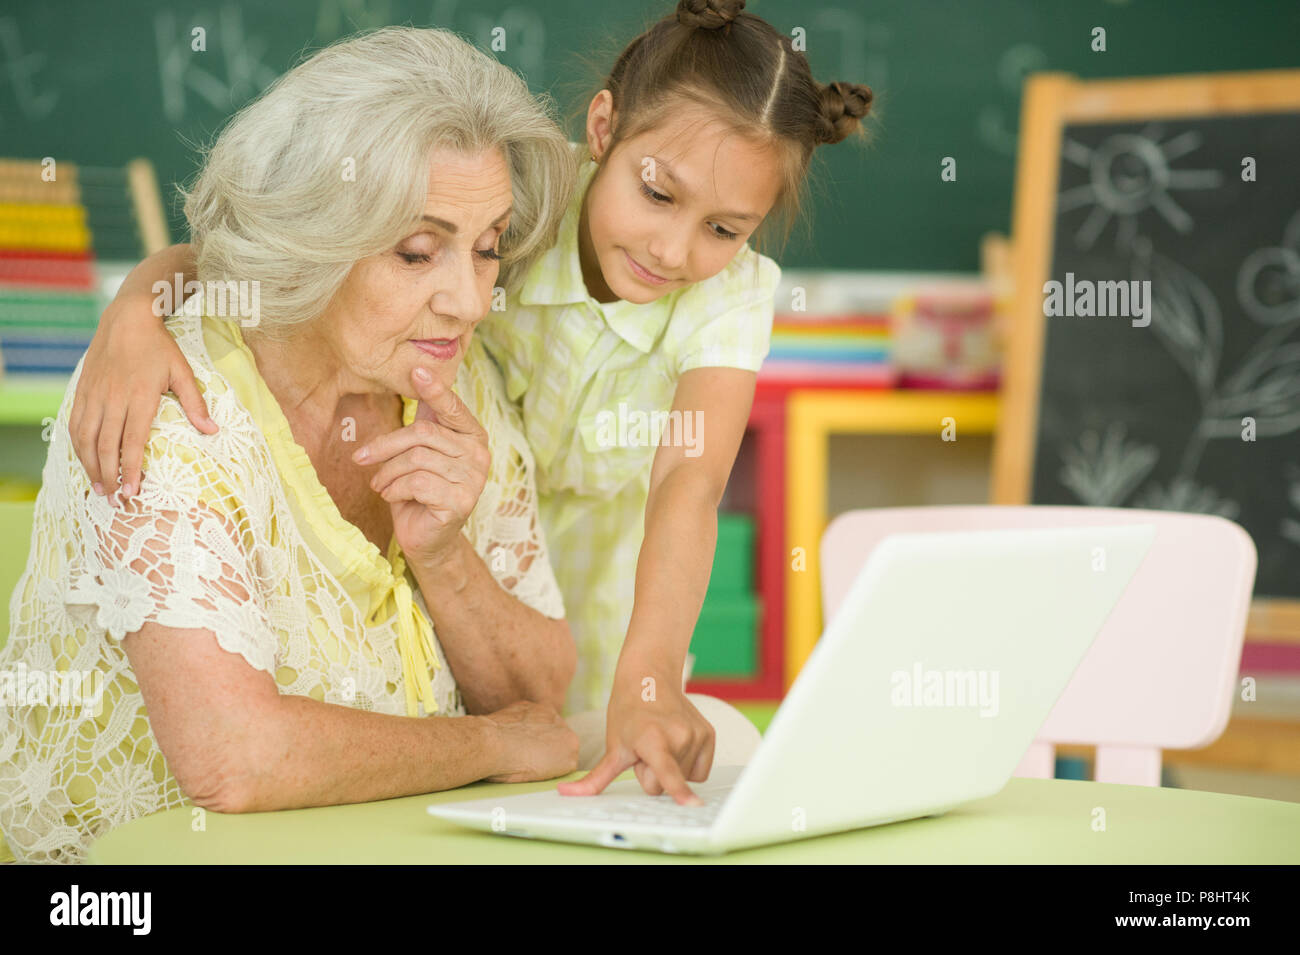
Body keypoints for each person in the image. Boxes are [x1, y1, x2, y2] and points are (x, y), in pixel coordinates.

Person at [67, 0, 871, 806]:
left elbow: (687, 487)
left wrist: (648, 670)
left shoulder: (681, 292)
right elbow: (260, 241)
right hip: (500, 561)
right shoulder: (528, 194)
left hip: (612, 569)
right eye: (659, 194)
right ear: (602, 131)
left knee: (650, 752)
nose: (674, 250)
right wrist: (137, 306)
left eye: (726, 229)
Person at [0, 27, 585, 864]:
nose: (467, 298)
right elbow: (234, 758)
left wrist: (446, 556)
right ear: (310, 239)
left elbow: (542, 708)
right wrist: (485, 749)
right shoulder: (167, 405)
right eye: (418, 252)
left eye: (488, 248)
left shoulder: (451, 377)